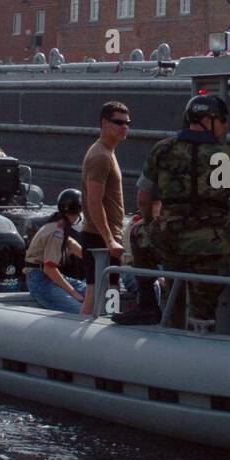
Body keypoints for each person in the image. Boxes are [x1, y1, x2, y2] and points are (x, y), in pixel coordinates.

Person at [130, 94, 230, 332]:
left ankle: (149, 305)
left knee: (138, 234)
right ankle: (202, 333)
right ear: (209, 119)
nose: (225, 127)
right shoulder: (226, 156)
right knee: (204, 306)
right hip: (211, 247)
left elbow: (143, 198)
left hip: (170, 240)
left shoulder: (162, 150)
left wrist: (153, 224)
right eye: (223, 120)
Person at [81, 101, 132, 315]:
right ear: (104, 123)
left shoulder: (107, 152)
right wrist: (109, 239)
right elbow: (94, 201)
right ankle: (91, 332)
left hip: (107, 234)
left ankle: (108, 321)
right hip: (100, 236)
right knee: (99, 289)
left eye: (127, 123)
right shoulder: (101, 156)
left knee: (110, 288)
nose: (124, 127)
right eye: (118, 122)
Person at [25, 189, 87, 313]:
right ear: (76, 213)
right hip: (41, 280)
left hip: (48, 277)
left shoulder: (58, 226)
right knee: (79, 311)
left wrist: (93, 258)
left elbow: (72, 245)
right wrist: (74, 293)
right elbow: (49, 269)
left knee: (95, 293)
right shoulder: (56, 232)